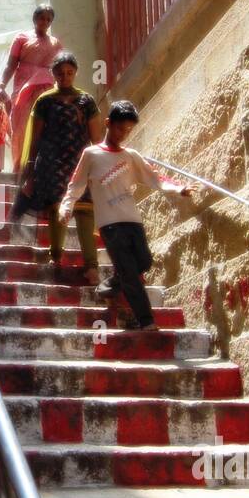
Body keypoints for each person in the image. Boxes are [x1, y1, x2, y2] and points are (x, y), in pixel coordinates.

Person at [58, 100, 192, 330]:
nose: (123, 134)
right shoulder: (91, 154)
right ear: (108, 123)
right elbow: (76, 184)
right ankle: (146, 320)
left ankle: (108, 286)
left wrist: (179, 189)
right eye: (120, 128)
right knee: (130, 271)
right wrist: (66, 206)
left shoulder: (131, 155)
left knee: (144, 261)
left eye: (128, 130)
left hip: (132, 219)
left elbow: (154, 177)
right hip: (110, 224)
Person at [10, 52, 102, 285]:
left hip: (80, 162)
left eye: (69, 72)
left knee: (84, 211)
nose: (65, 77)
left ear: (76, 73)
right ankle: (56, 258)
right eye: (60, 73)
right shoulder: (45, 101)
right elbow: (37, 137)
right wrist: (31, 166)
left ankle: (92, 267)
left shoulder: (87, 101)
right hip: (51, 163)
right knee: (56, 210)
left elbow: (96, 137)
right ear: (53, 75)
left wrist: (100, 163)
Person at [0, 4, 63, 170]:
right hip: (23, 88)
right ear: (35, 19)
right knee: (21, 126)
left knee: (44, 125)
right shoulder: (22, 38)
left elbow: (62, 68)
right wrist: (2, 85)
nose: (45, 22)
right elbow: (11, 65)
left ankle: (41, 166)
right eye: (42, 18)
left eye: (49, 19)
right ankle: (19, 166)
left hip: (46, 88)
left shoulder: (55, 43)